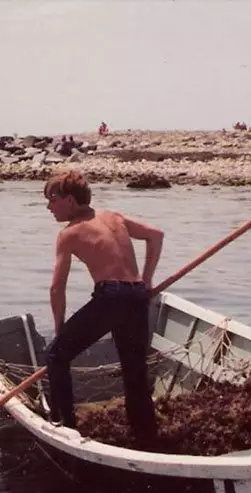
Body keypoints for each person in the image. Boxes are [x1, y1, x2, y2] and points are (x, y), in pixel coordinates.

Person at [42, 171, 164, 449]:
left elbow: (56, 288)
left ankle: (66, 428)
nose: (49, 207)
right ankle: (146, 437)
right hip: (135, 296)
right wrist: (146, 279)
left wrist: (61, 330)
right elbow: (156, 235)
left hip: (111, 297)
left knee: (56, 355)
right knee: (134, 371)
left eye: (52, 199)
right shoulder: (114, 217)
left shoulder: (69, 234)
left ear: (70, 201)